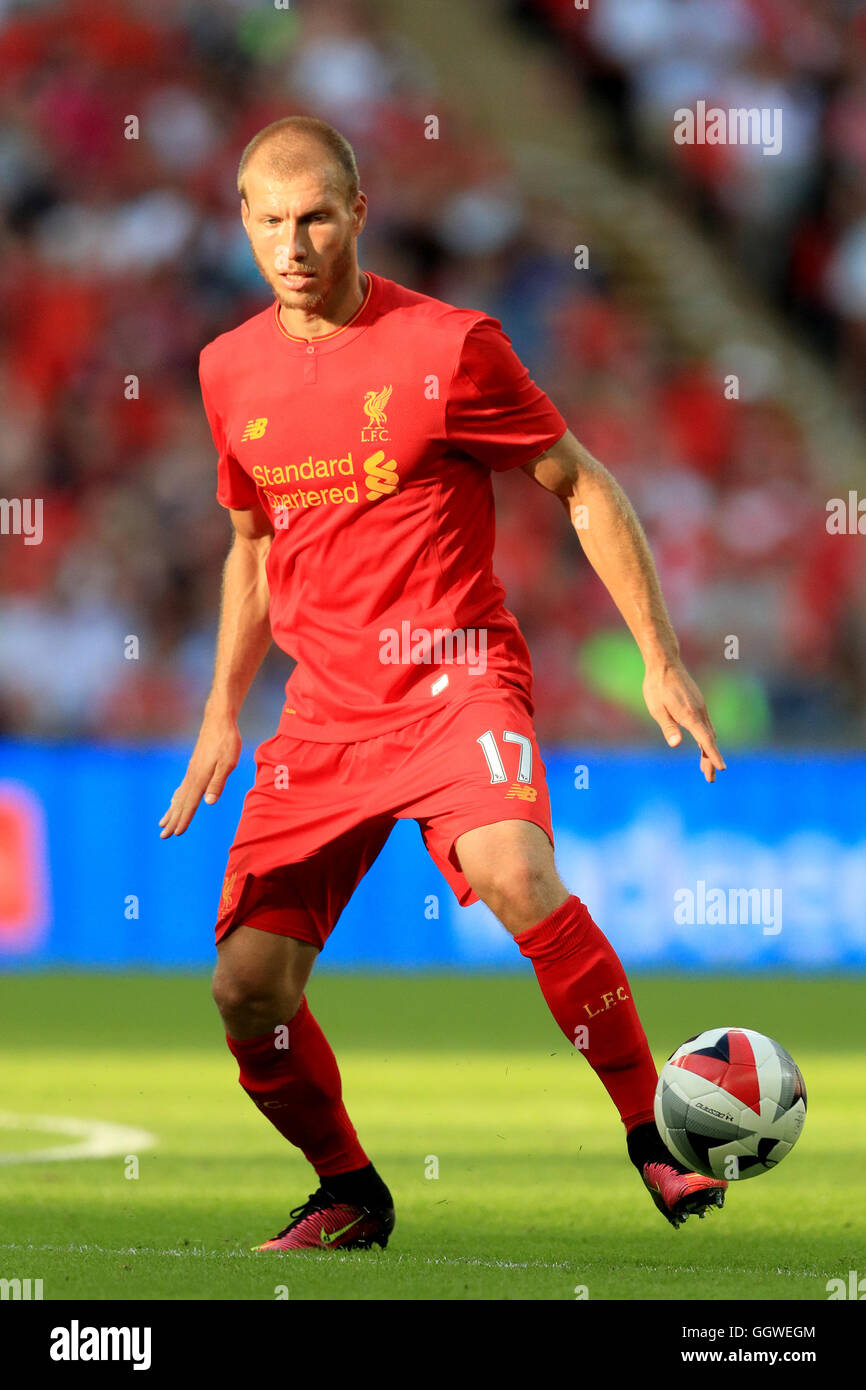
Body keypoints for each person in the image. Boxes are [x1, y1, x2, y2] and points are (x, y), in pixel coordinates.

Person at [159, 115, 727, 1252]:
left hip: (453, 681)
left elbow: (579, 483)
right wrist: (223, 707)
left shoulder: (451, 345)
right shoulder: (229, 370)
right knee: (246, 994)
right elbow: (252, 546)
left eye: (316, 216)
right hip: (323, 713)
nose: (294, 243)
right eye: (269, 221)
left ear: (359, 212)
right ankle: (350, 1192)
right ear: (242, 226)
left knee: (516, 872)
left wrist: (659, 657)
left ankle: (649, 1133)